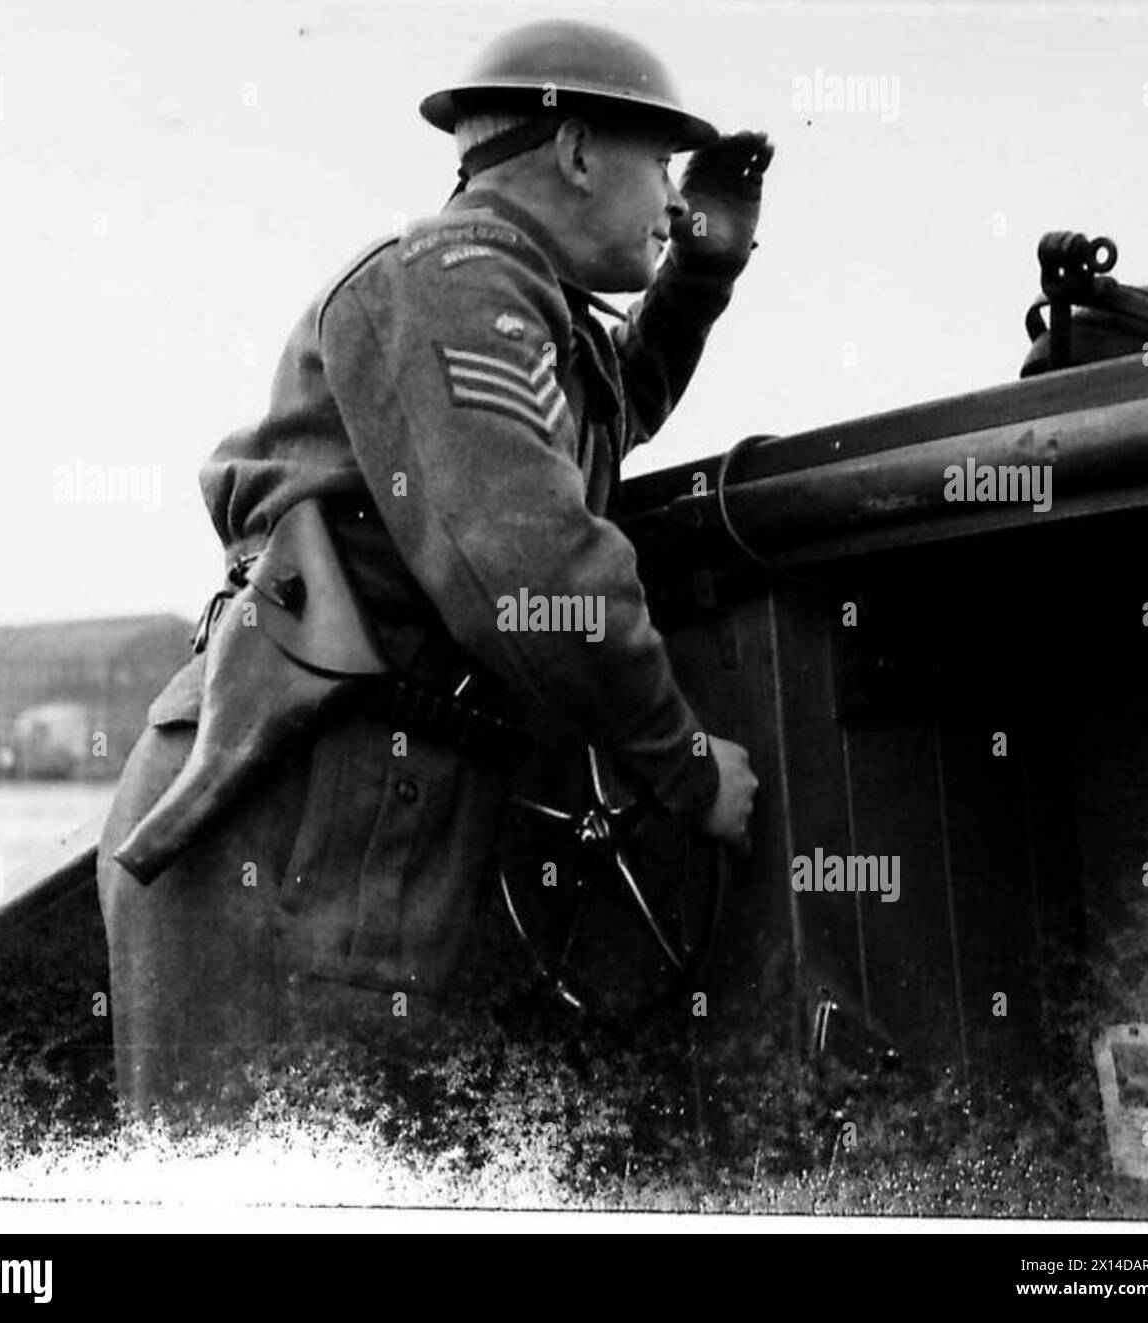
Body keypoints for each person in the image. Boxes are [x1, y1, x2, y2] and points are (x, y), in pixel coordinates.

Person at [97, 18, 765, 1113]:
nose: (672, 196)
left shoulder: (517, 309)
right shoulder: (454, 288)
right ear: (580, 152)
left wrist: (697, 274)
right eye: (660, 165)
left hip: (368, 795)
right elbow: (536, 565)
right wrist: (682, 763)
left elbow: (601, 419)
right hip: (299, 800)